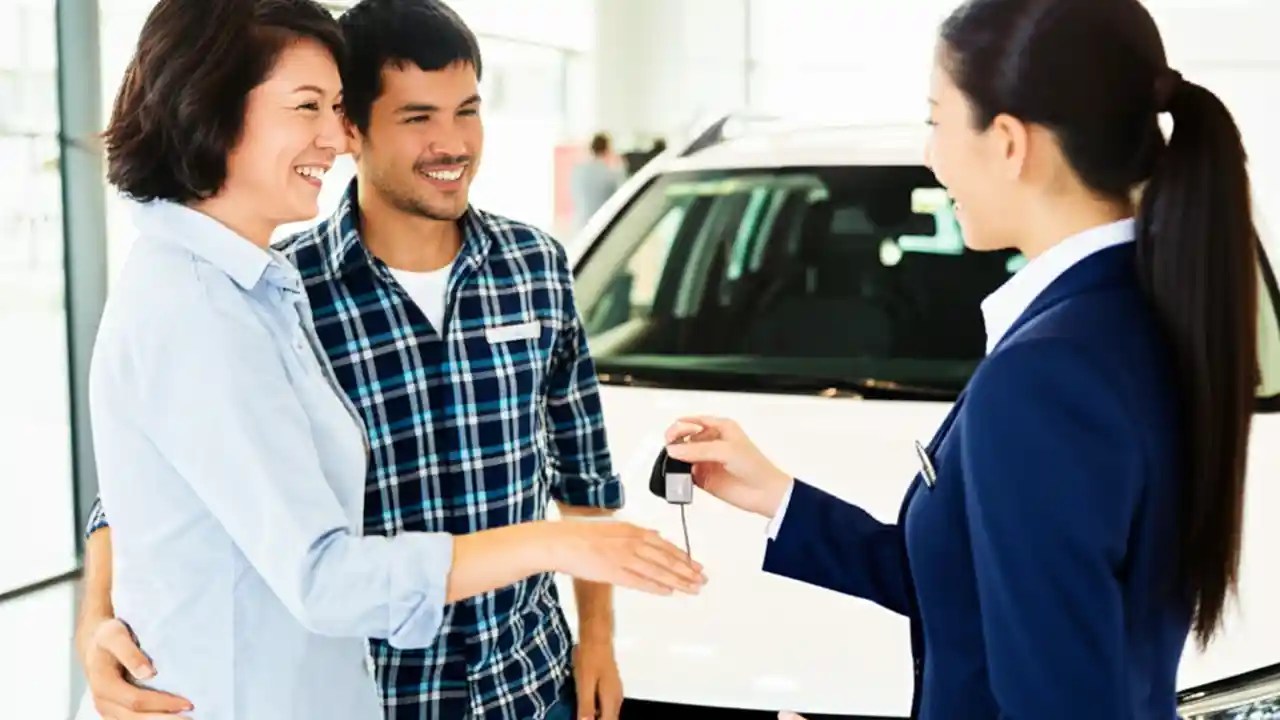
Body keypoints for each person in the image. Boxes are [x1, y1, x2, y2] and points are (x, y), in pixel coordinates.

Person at [75, 1, 704, 719]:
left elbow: (581, 465)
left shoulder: (534, 268)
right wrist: (99, 618)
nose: (452, 143)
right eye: (416, 118)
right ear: (356, 129)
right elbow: (148, 493)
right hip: (384, 686)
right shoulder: (276, 289)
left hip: (523, 679)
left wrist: (596, 635)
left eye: (467, 111)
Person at [663, 0, 1261, 718]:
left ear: (1009, 143)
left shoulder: (1048, 376)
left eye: (935, 120)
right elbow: (976, 588)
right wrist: (779, 495)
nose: (929, 154)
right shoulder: (1137, 318)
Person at [570, 132, 625, 232]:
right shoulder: (610, 174)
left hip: (581, 223)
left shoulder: (578, 170)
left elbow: (574, 195)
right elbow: (621, 195)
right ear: (607, 149)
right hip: (602, 225)